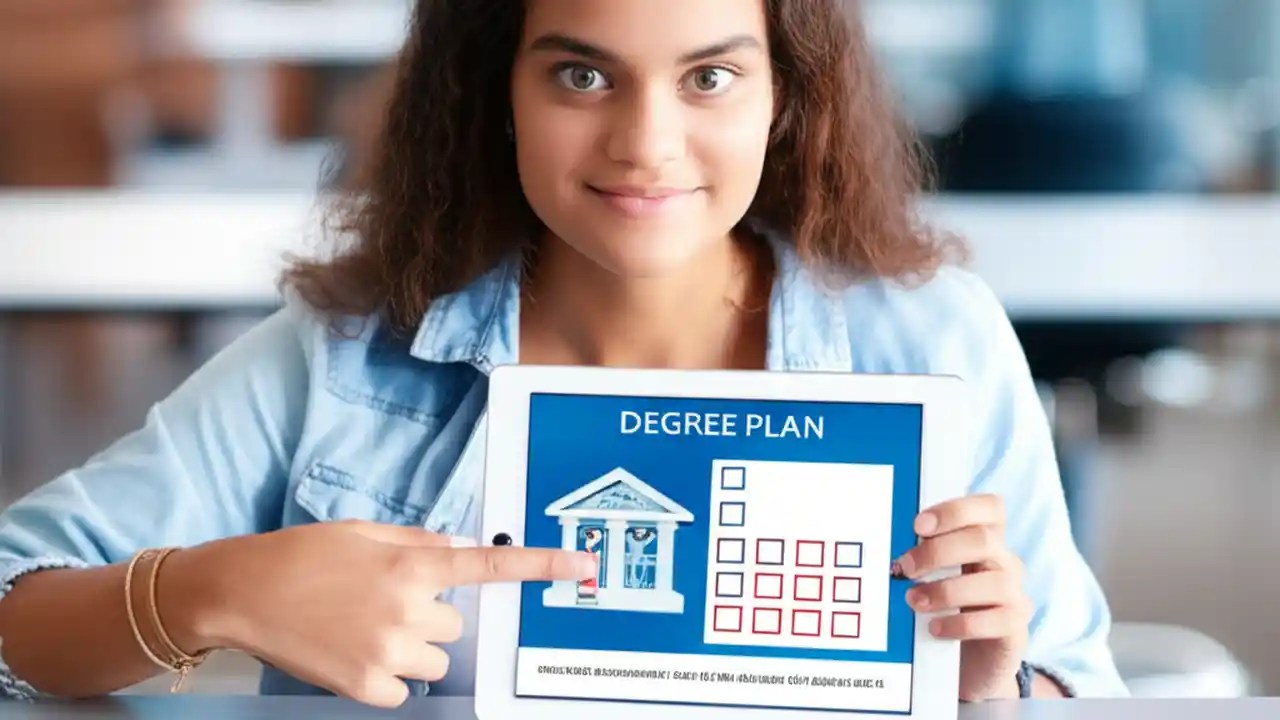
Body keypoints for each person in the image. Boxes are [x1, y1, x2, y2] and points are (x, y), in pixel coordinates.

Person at [0, 0, 1127, 708]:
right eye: (579, 74)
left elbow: (1074, 679)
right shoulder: (343, 361)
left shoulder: (930, 341)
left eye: (709, 76)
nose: (644, 143)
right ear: (494, 96)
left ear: (787, 99)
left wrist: (997, 691)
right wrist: (212, 589)